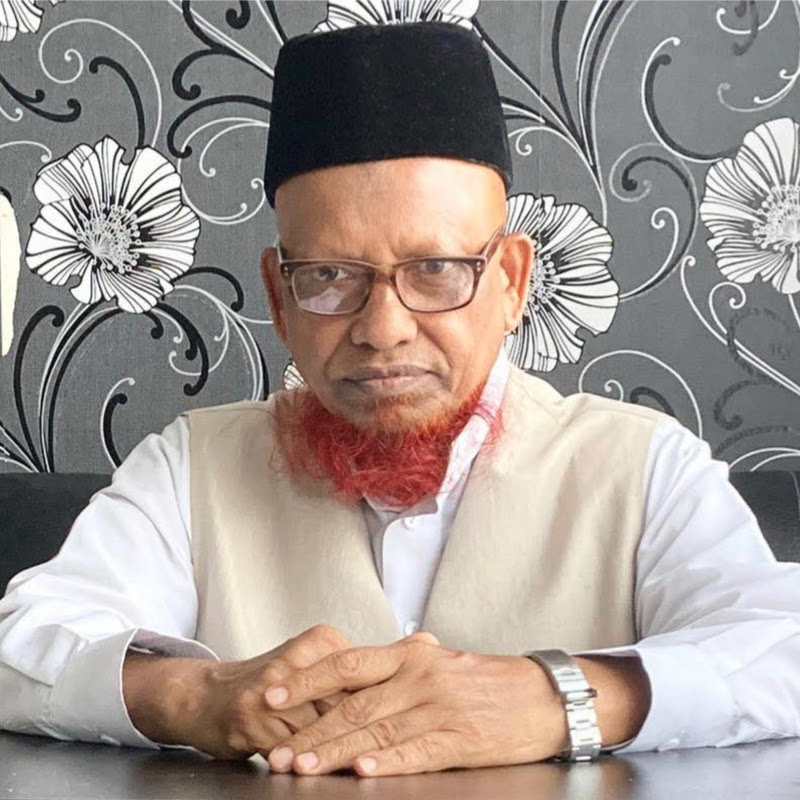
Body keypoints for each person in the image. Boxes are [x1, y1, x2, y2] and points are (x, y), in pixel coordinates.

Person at [1, 21, 799, 778]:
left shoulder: (644, 464)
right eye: (329, 277)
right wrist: (193, 695)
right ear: (279, 297)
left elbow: (781, 654)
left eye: (437, 270)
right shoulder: (189, 466)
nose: (382, 330)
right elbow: (21, 652)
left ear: (511, 282)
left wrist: (559, 699)